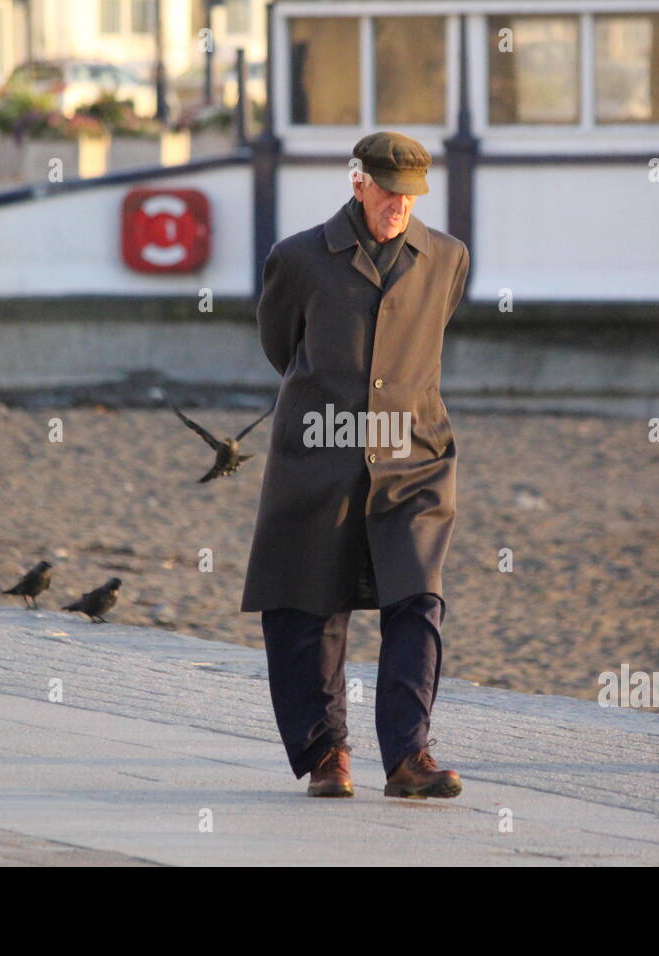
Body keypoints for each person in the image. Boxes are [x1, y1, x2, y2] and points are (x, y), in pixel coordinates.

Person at [240, 131, 471, 799]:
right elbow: (281, 346)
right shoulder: (299, 259)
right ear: (357, 181)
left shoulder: (447, 258)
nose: (399, 205)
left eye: (410, 195)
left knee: (417, 596)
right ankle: (326, 756)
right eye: (387, 191)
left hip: (414, 456)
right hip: (318, 455)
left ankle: (409, 758)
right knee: (311, 603)